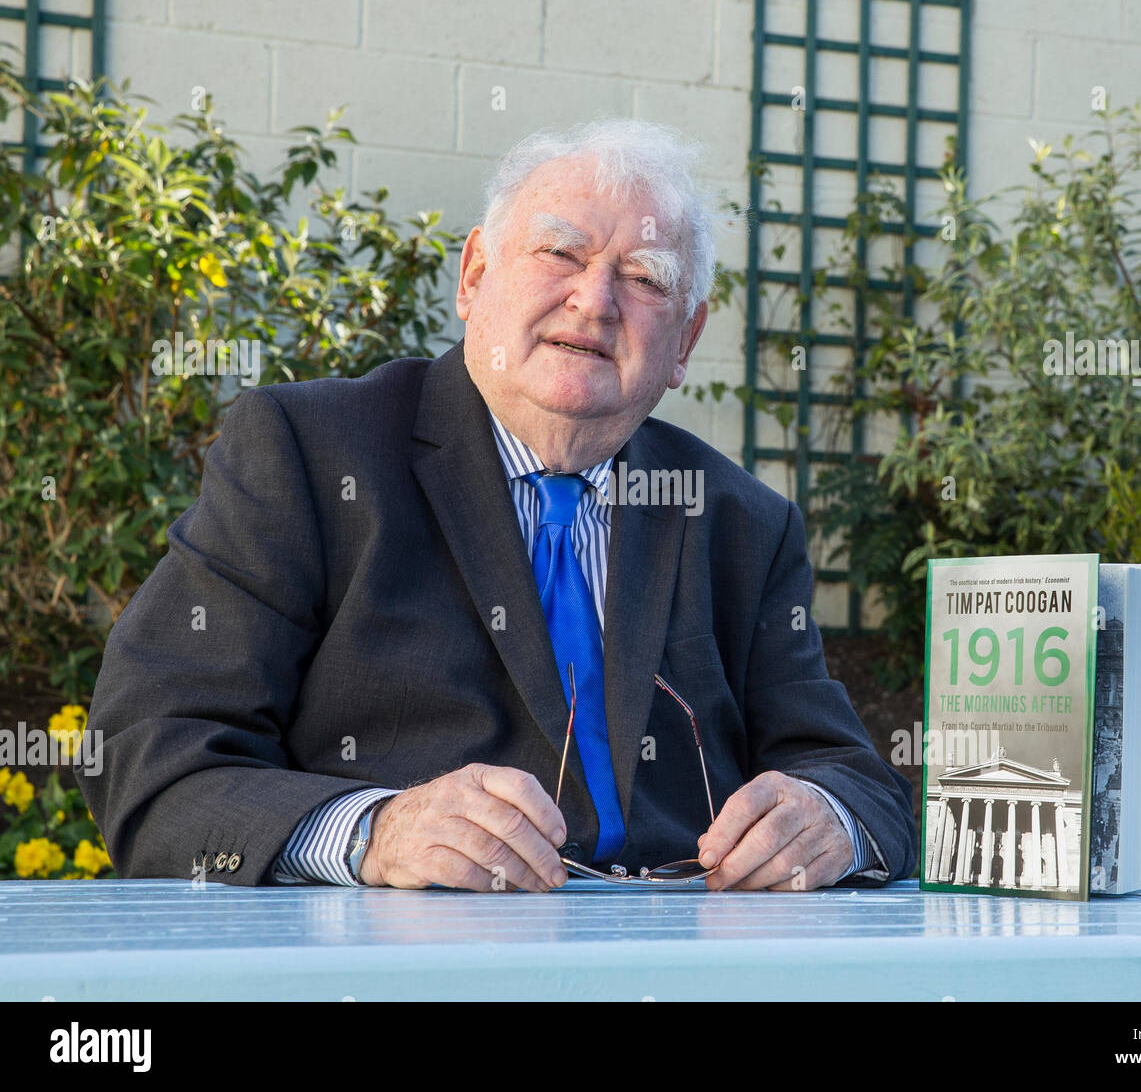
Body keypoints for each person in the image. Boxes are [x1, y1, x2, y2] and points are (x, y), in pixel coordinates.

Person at [77, 118, 917, 893]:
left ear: (686, 343)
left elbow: (855, 779)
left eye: (643, 277)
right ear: (474, 275)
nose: (596, 300)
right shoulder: (309, 454)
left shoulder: (741, 523)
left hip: (678, 961)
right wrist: (371, 833)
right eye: (561, 253)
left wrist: (828, 820)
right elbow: (150, 750)